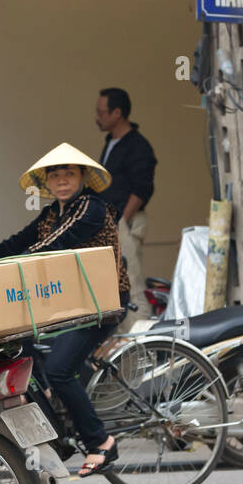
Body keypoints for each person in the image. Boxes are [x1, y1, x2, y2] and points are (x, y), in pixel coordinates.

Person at [0, 143, 130, 476]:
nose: (62, 180)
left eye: (69, 174)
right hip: (69, 304)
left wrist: (12, 263)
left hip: (102, 304)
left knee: (61, 370)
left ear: (82, 178)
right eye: (56, 175)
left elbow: (53, 245)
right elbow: (17, 241)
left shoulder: (90, 208)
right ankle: (54, 418)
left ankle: (100, 441)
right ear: (47, 183)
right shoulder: (51, 213)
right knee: (21, 346)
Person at [95, 87, 156, 328]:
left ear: (117, 113)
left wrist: (125, 221)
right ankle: (123, 347)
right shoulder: (111, 141)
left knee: (131, 283)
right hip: (112, 221)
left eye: (101, 112)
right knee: (114, 286)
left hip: (123, 222)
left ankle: (144, 344)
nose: (97, 117)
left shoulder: (138, 146)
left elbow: (143, 188)